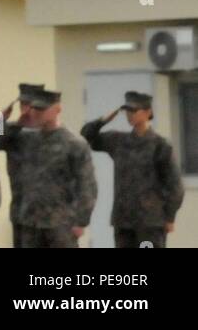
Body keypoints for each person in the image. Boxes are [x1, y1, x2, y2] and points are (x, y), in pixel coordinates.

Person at [81, 91, 184, 248]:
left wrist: (170, 217)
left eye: (133, 111)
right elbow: (87, 135)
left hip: (150, 221)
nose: (129, 115)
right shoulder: (118, 141)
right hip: (123, 219)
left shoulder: (160, 145)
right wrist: (105, 119)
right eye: (126, 111)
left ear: (147, 112)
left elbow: (175, 185)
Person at [12, 89, 96, 248]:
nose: (36, 113)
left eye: (42, 109)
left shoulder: (74, 144)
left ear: (57, 109)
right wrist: (2, 118)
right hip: (30, 222)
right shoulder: (25, 138)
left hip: (61, 224)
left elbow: (87, 185)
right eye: (35, 109)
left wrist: (82, 221)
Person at [0, 81, 44, 248]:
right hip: (20, 210)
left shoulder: (51, 132)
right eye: (23, 104)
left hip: (52, 214)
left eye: (30, 105)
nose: (26, 109)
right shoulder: (13, 131)